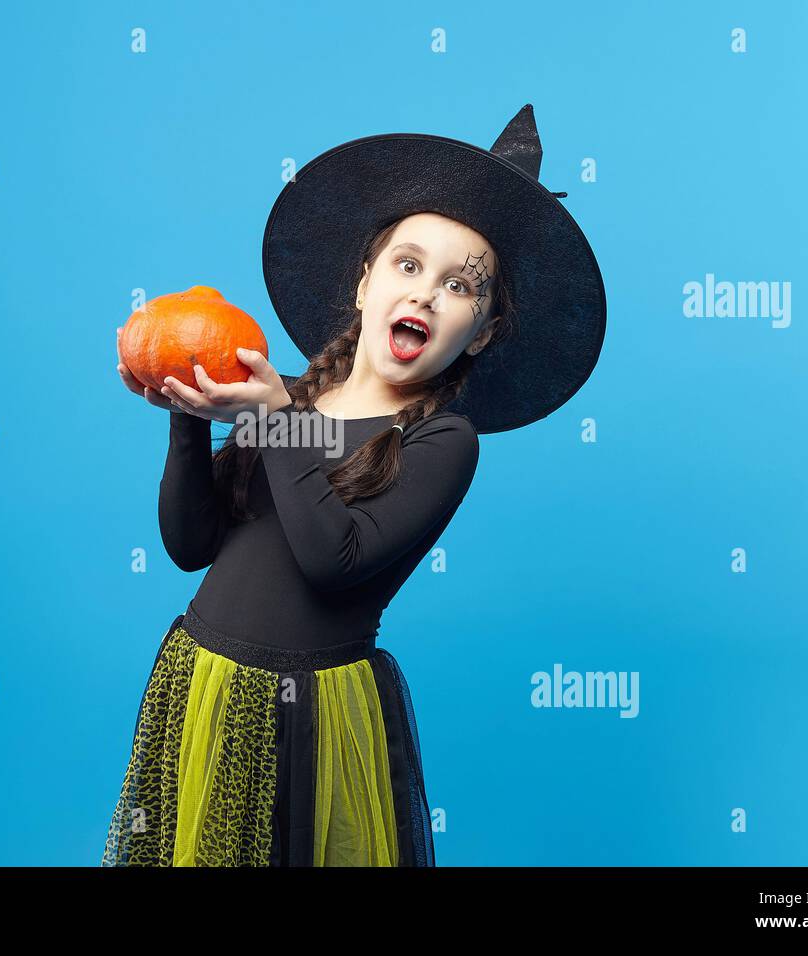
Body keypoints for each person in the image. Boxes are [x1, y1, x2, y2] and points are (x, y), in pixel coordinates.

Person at [102, 105, 607, 866]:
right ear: (367, 283)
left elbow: (331, 559)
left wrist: (273, 418)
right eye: (408, 265)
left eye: (460, 287)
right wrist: (185, 418)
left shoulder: (442, 442)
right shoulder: (293, 397)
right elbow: (189, 545)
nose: (428, 294)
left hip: (308, 713)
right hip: (199, 681)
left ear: (485, 330)